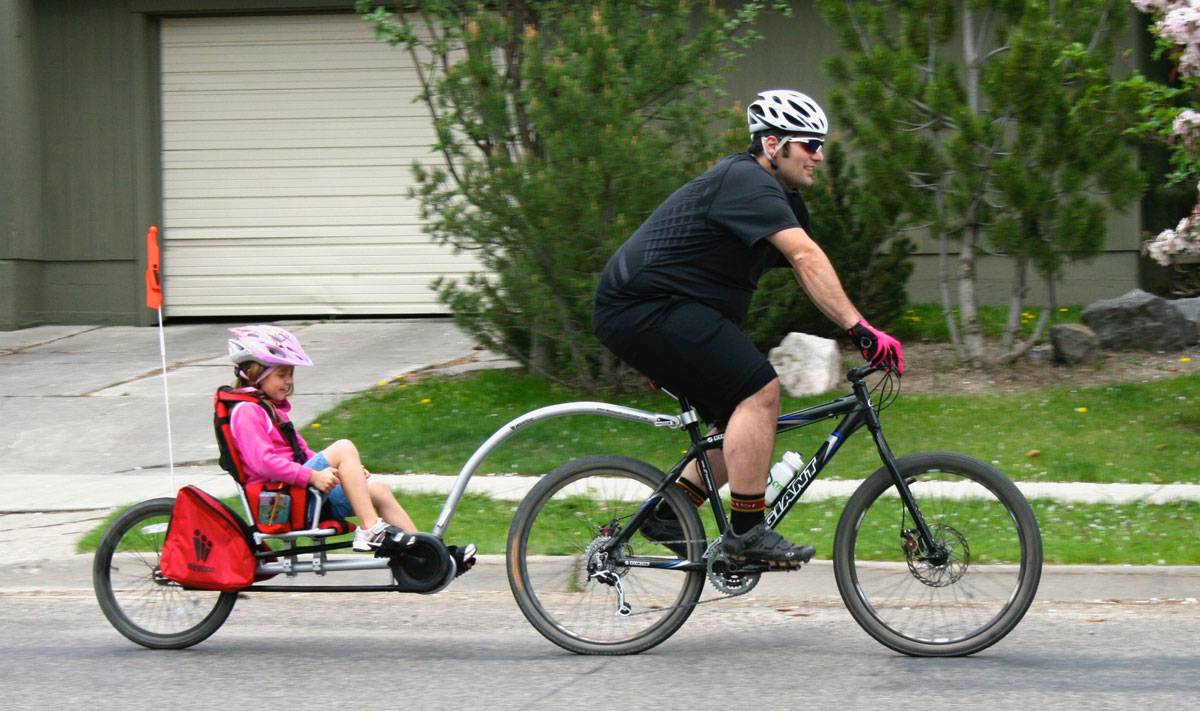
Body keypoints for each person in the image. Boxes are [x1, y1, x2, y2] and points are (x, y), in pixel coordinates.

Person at [592, 89, 904, 565]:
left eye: (822, 145)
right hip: (645, 307)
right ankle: (747, 533)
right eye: (810, 144)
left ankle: (666, 516)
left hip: (656, 314)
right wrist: (861, 329)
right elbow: (805, 256)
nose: (820, 155)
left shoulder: (781, 199)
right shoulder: (746, 181)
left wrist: (852, 325)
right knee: (759, 391)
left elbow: (806, 270)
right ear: (774, 144)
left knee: (736, 419)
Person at [225, 324, 417, 551]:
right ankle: (369, 529)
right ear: (256, 374)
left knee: (379, 490)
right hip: (281, 501)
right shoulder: (247, 412)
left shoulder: (270, 410)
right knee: (344, 447)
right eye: (282, 374)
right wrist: (312, 476)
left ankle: (429, 552)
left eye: (290, 374)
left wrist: (350, 472)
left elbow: (303, 453)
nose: (288, 381)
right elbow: (263, 463)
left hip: (299, 495)